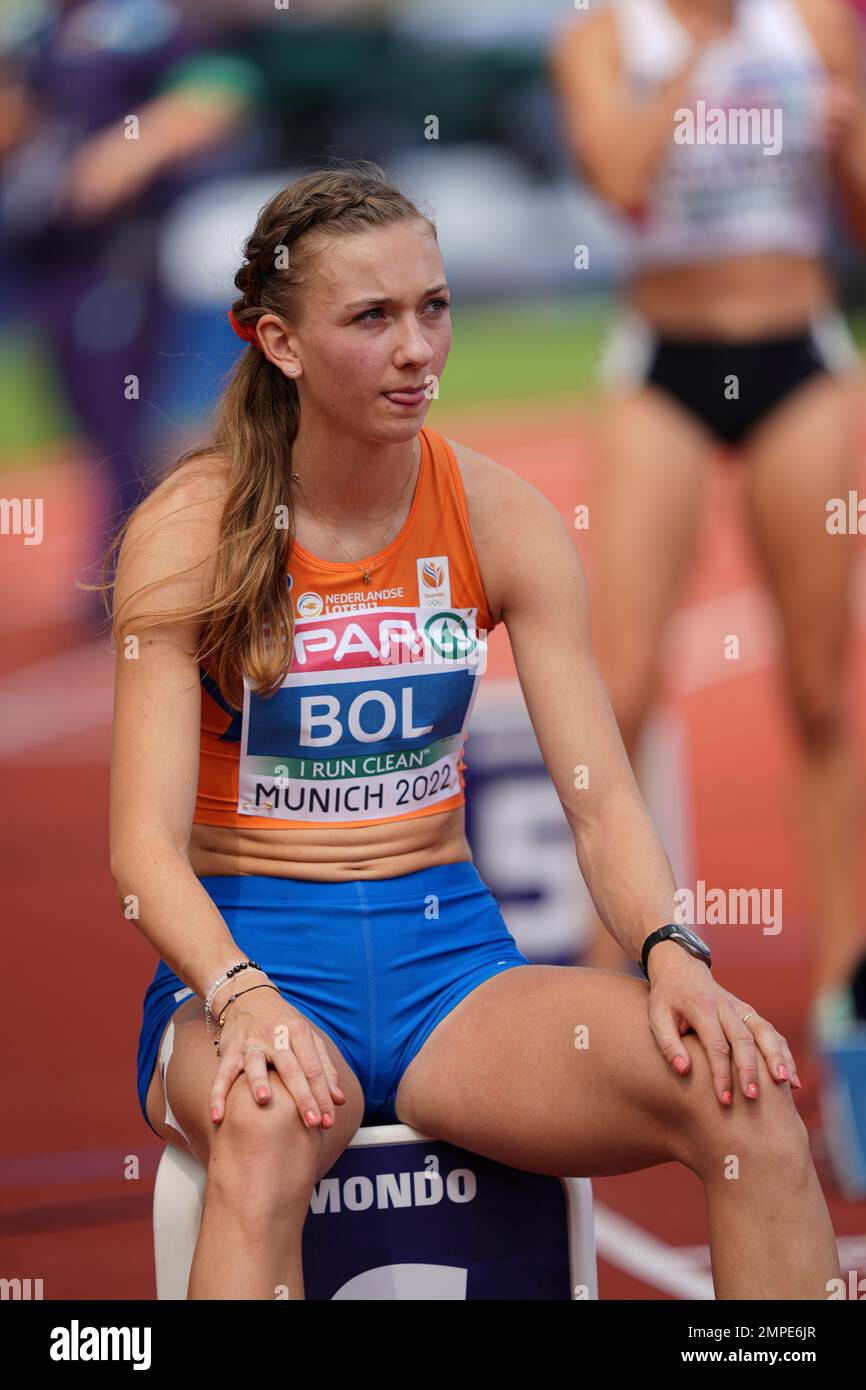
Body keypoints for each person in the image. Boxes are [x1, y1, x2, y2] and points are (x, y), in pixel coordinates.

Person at [104, 162, 839, 1300]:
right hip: (249, 961)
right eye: (372, 317)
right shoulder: (191, 528)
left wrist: (670, 951)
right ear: (279, 343)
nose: (418, 349)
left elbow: (596, 794)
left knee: (738, 1090)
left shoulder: (499, 513)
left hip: (445, 971)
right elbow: (142, 854)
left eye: (433, 306)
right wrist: (241, 996)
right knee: (262, 1118)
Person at [550, 0, 866, 1043]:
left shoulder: (814, 26)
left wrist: (844, 140)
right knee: (627, 682)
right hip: (663, 363)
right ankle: (615, 967)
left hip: (797, 355)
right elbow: (619, 180)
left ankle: (844, 987)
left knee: (819, 689)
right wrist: (691, 73)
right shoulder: (605, 38)